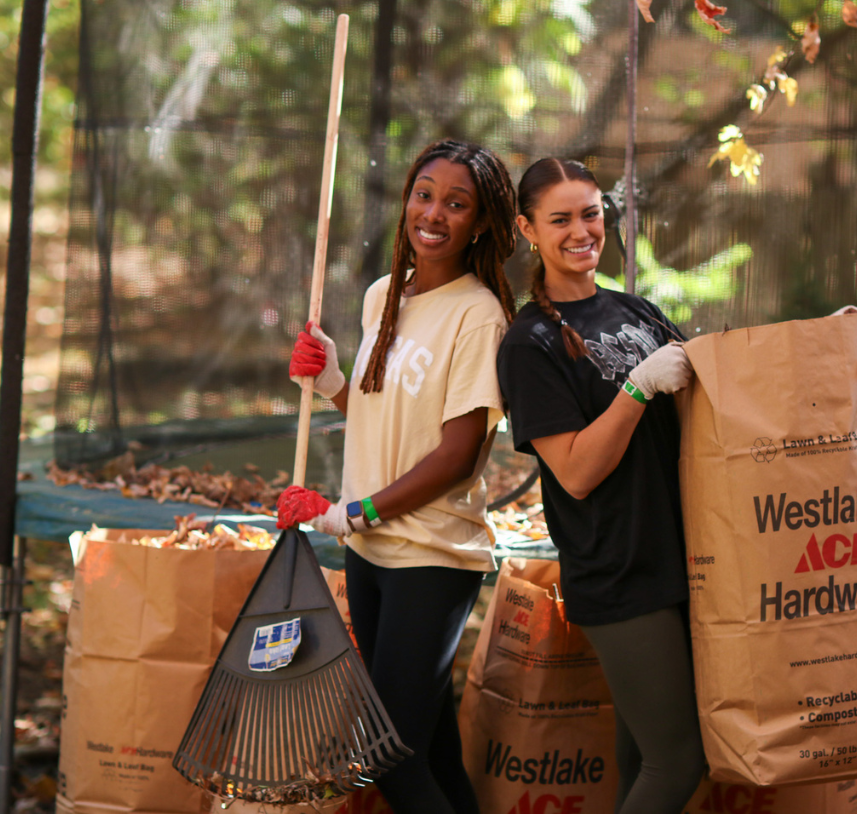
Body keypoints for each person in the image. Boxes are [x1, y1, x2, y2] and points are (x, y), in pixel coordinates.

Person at [275, 139, 518, 814]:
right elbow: (381, 416)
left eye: (456, 202)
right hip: (372, 553)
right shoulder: (385, 295)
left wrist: (353, 511)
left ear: (481, 223)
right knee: (431, 748)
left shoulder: (480, 316)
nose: (433, 212)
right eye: (424, 193)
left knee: (386, 755)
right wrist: (331, 381)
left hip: (431, 555)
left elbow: (456, 456)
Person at [495, 157, 705, 813]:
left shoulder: (635, 311)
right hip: (619, 571)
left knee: (642, 757)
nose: (581, 230)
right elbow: (578, 472)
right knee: (679, 763)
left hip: (682, 557)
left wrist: (826, 347)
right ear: (528, 229)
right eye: (560, 219)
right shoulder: (530, 344)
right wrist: (640, 386)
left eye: (591, 213)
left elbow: (722, 390)